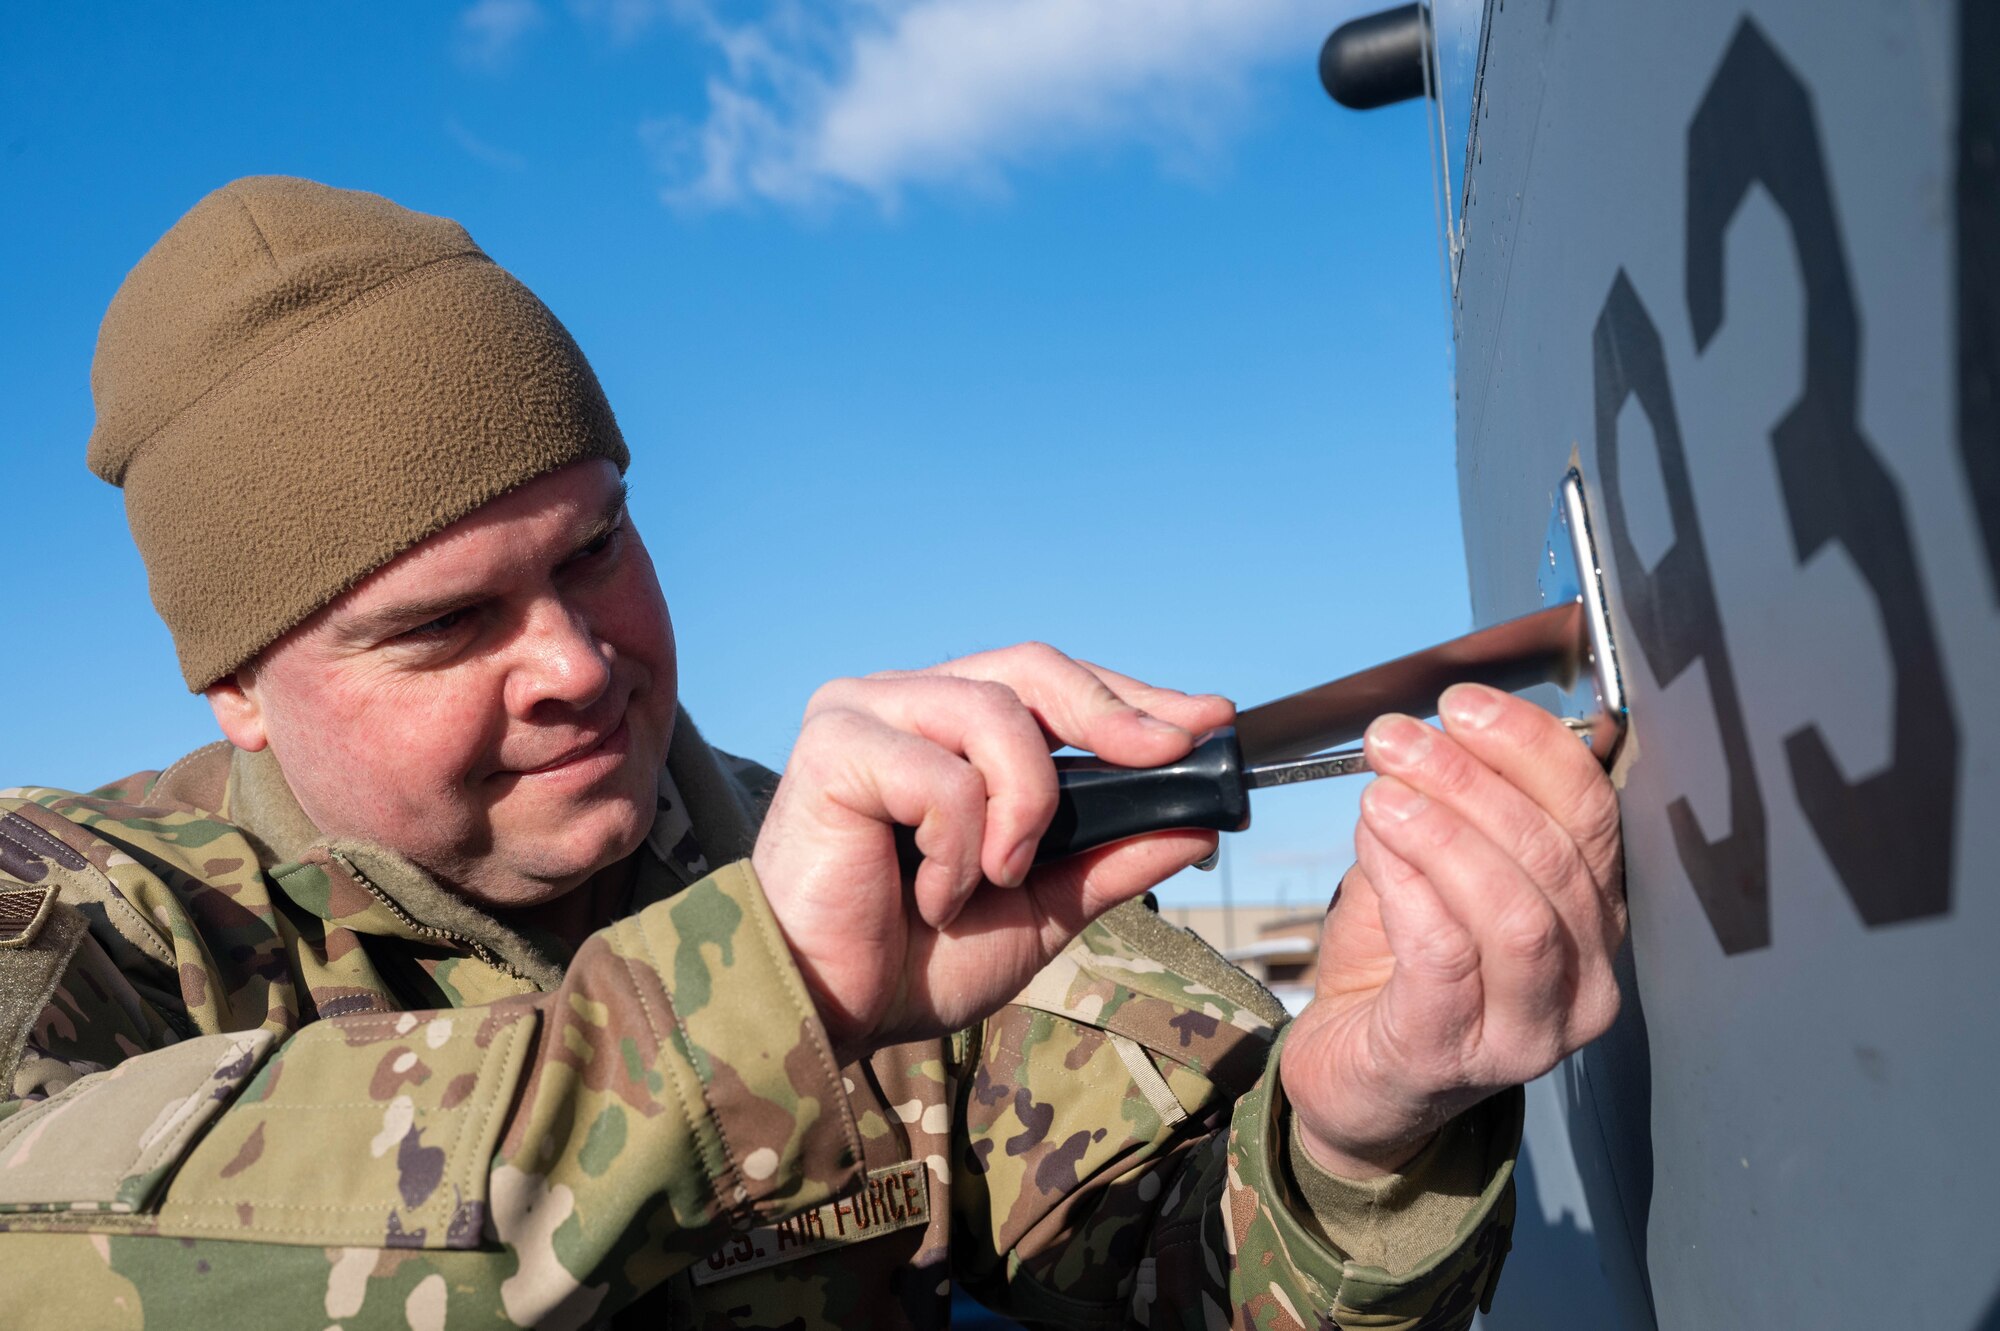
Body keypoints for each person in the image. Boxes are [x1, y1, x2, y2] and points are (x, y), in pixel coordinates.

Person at [0, 177, 1626, 1330]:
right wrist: (755, 1009)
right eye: (441, 628)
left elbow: (1199, 1277)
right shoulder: (81, 912)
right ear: (241, 690)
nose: (573, 663)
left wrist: (1358, 1124)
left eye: (595, 551)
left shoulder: (858, 882)